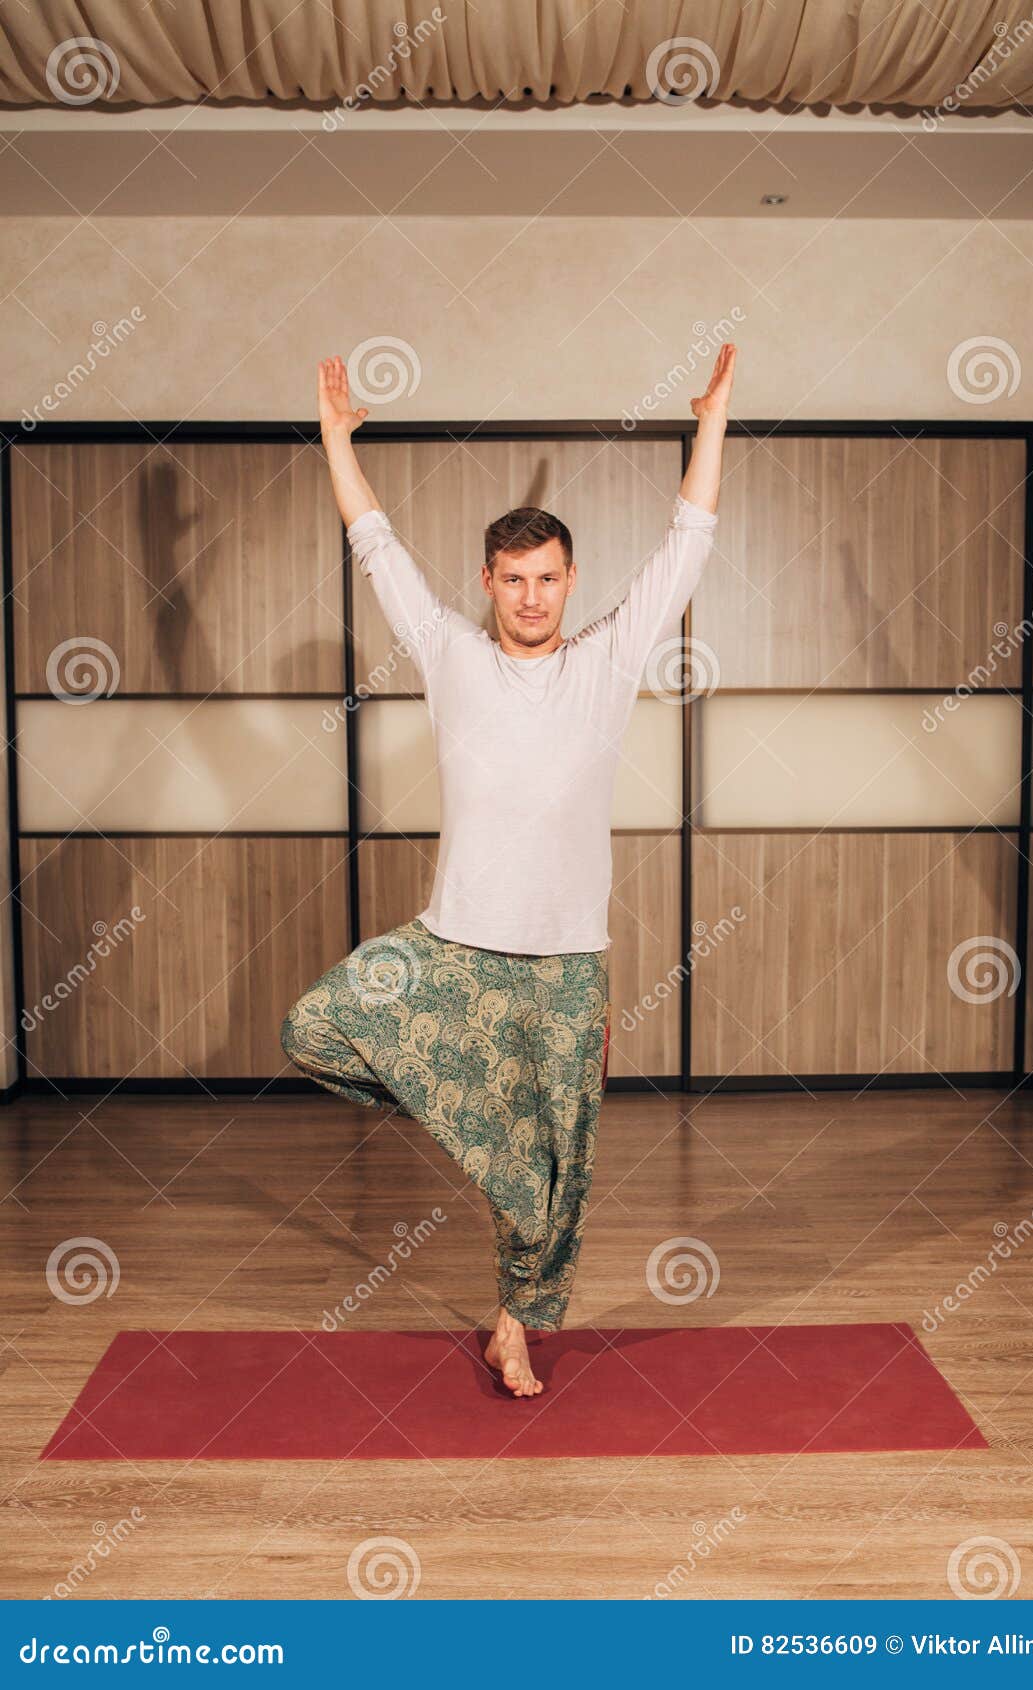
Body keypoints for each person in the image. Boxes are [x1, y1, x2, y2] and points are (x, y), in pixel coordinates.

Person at [281, 343, 736, 1397]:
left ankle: (515, 1325)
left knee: (560, 1176)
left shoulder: (607, 661)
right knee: (314, 1026)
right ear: (485, 582)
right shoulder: (449, 655)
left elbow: (688, 543)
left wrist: (710, 420)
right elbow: (375, 545)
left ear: (568, 581)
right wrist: (335, 445)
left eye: (546, 579)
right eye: (512, 579)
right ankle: (484, 1134)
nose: (530, 596)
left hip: (567, 960)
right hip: (456, 946)